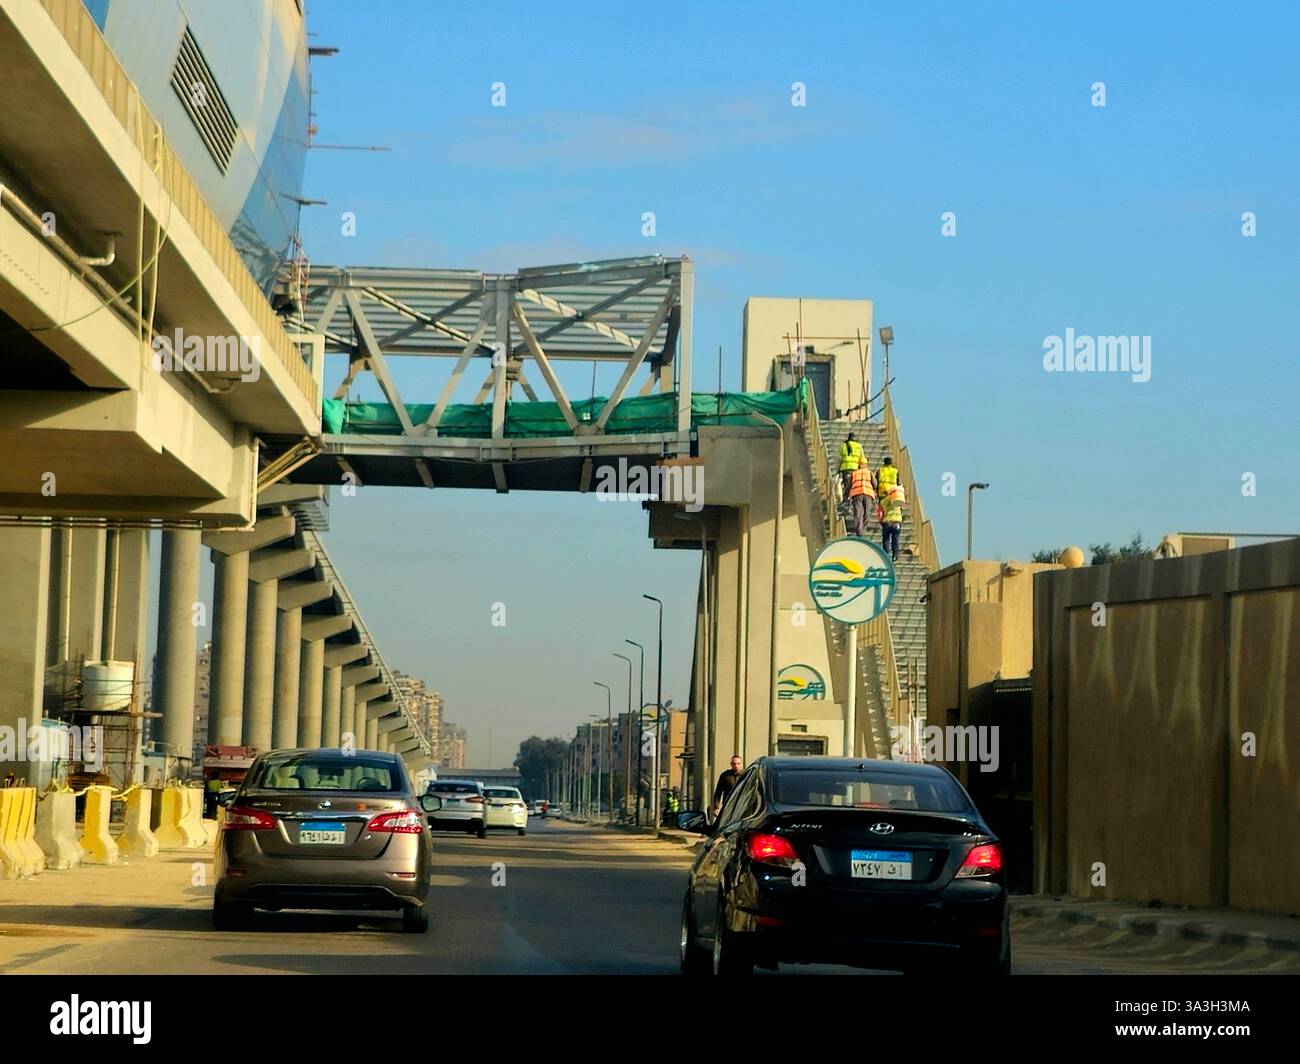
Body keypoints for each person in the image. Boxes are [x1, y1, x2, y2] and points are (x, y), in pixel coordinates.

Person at [848, 464, 875, 535]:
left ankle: (859, 530)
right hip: (868, 495)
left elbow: (849, 485)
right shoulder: (869, 473)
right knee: (867, 513)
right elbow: (875, 484)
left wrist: (846, 496)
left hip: (857, 494)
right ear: (866, 465)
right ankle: (862, 528)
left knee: (858, 513)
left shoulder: (854, 473)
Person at [838, 433, 864, 500]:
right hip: (856, 468)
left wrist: (838, 469)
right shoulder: (859, 446)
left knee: (847, 484)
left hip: (846, 468)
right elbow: (862, 459)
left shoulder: (843, 445)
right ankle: (853, 497)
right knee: (855, 484)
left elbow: (839, 458)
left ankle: (848, 499)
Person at [881, 485, 904, 561]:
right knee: (896, 539)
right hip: (897, 522)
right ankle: (895, 556)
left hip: (887, 522)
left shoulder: (884, 501)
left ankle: (885, 555)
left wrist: (880, 520)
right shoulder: (898, 499)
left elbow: (881, 510)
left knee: (886, 539)